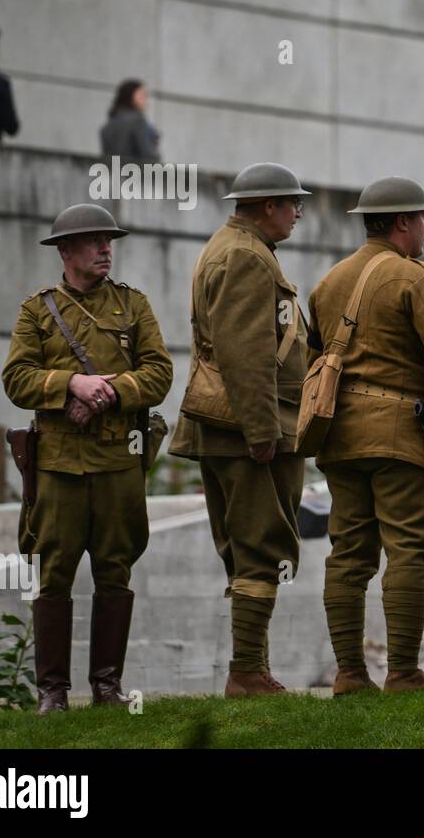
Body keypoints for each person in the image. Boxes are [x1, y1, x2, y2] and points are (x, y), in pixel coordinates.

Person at [2, 204, 173, 713]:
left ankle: (107, 686)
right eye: (94, 241)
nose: (105, 249)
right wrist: (70, 382)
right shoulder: (38, 310)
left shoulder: (133, 305)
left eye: (108, 241)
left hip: (119, 460)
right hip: (57, 466)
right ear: (66, 250)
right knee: (53, 573)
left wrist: (112, 389)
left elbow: (160, 373)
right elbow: (16, 378)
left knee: (115, 570)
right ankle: (52, 691)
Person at [309, 176, 424, 693]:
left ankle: (349, 674)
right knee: (409, 550)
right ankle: (403, 672)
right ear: (401, 221)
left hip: (339, 436)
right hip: (403, 435)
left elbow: (310, 355)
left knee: (348, 554)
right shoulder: (415, 279)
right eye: (423, 217)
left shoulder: (329, 280)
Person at [168, 162, 310, 698]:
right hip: (246, 429)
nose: (298, 212)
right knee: (262, 545)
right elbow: (246, 354)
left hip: (229, 427)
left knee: (248, 547)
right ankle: (247, 672)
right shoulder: (247, 256)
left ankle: (254, 669)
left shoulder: (231, 247)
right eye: (292, 203)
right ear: (268, 205)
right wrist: (262, 430)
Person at [99, 79, 160, 161]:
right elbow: (147, 155)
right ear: (132, 96)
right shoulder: (137, 121)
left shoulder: (109, 126)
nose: (146, 101)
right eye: (143, 96)